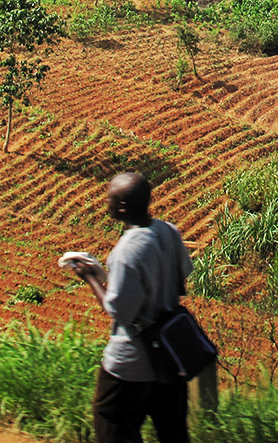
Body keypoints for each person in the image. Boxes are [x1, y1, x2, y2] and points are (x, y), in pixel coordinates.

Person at [70, 171, 194, 443]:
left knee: (112, 424)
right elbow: (178, 281)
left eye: (110, 199)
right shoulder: (167, 230)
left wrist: (90, 277)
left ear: (123, 207)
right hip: (170, 357)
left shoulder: (126, 251)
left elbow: (120, 312)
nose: (107, 203)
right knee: (172, 432)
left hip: (132, 362)